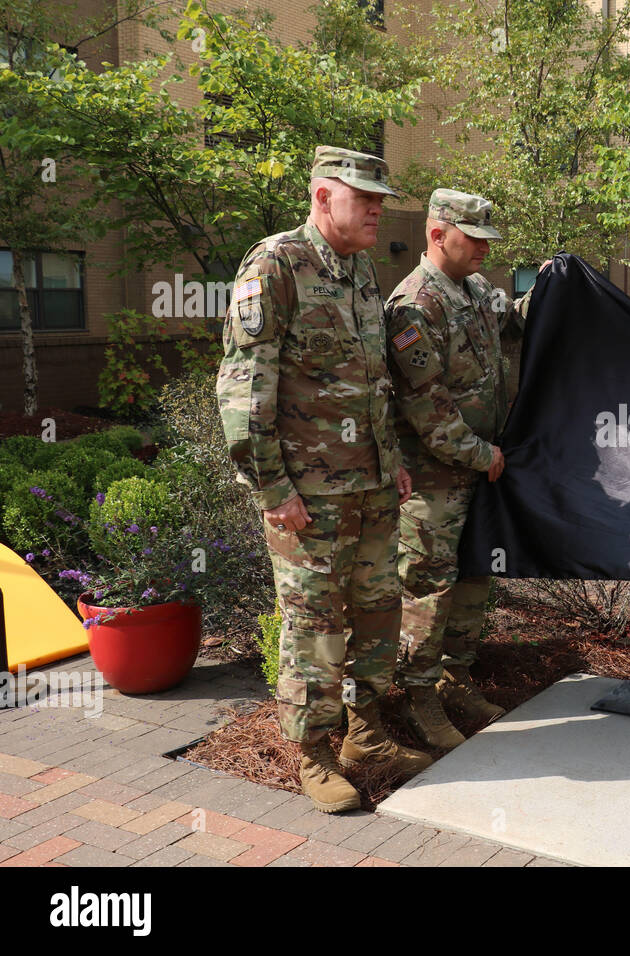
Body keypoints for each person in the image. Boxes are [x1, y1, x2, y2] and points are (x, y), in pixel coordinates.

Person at [216, 145, 432, 813]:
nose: (376, 209)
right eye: (363, 197)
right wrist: (274, 491)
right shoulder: (275, 264)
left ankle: (365, 736)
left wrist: (390, 457)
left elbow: (372, 382)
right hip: (307, 497)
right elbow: (244, 391)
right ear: (320, 198)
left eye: (380, 200)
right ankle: (311, 755)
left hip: (368, 489)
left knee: (375, 615)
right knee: (315, 629)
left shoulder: (362, 271)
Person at [384, 188, 541, 748]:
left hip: (480, 469)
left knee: (474, 575)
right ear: (436, 233)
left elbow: (513, 324)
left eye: (487, 240)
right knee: (427, 588)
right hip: (434, 478)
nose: (484, 250)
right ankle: (419, 697)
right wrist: (484, 454)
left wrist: (549, 286)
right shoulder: (413, 307)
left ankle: (456, 677)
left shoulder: (475, 290)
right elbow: (428, 412)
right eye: (473, 239)